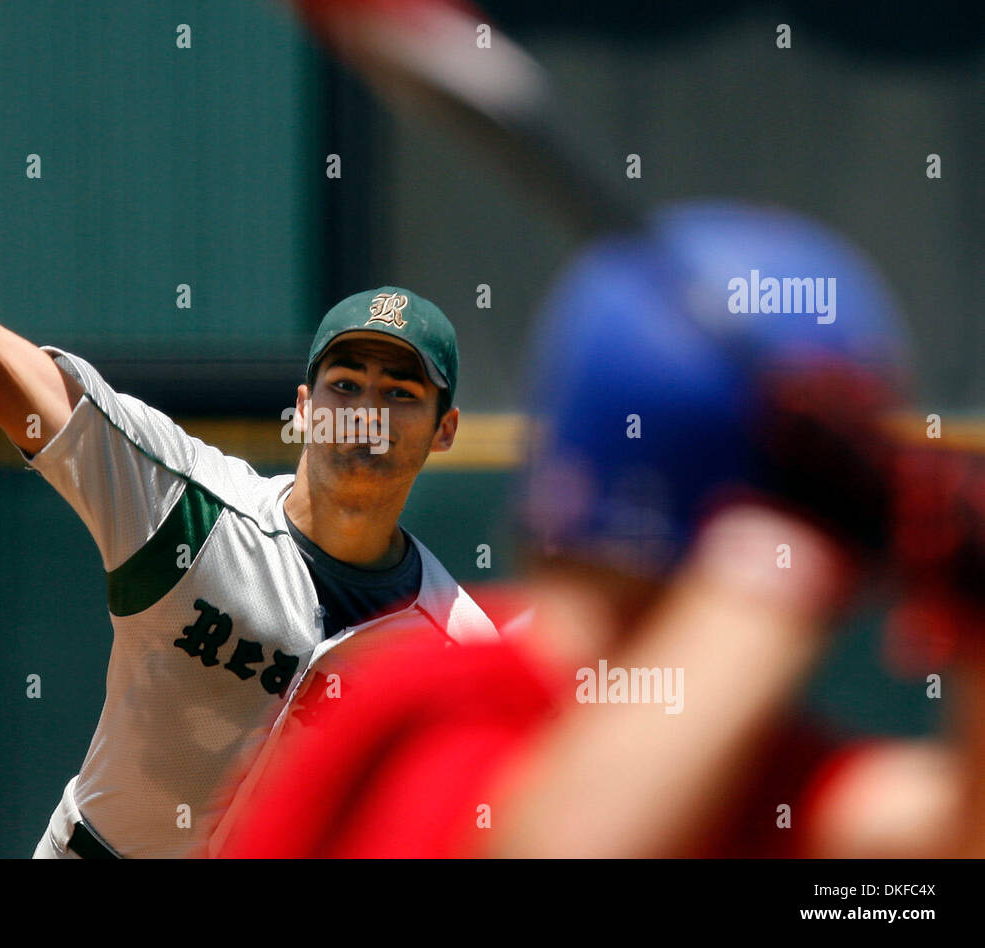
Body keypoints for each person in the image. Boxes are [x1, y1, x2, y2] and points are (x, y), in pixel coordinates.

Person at [0, 60, 497, 859]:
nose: (367, 415)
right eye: (345, 385)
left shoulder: (461, 648)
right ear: (306, 409)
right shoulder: (187, 508)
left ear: (445, 429)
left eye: (400, 393)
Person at [213, 199, 923, 858]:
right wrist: (783, 564)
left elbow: (940, 830)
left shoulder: (751, 761)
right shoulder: (436, 697)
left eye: (401, 394)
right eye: (348, 385)